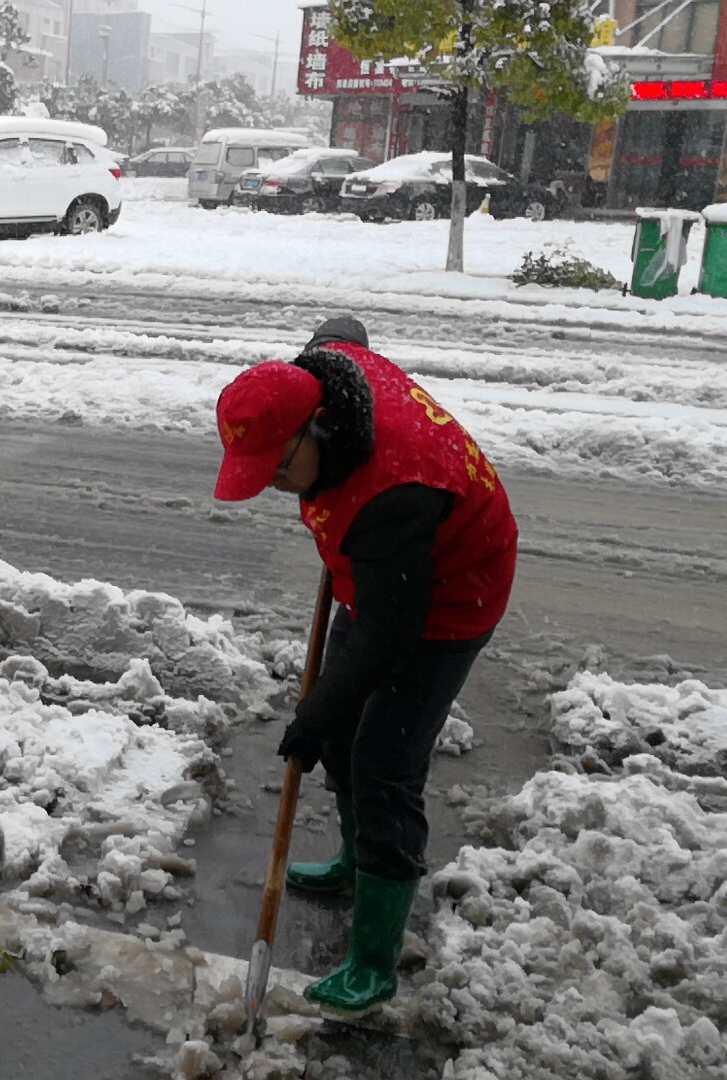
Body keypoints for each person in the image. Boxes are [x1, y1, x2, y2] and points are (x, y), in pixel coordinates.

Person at [212, 316, 518, 1014]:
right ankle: (356, 863)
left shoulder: (393, 491)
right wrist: (328, 717)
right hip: (380, 578)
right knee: (346, 731)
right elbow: (344, 331)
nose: (278, 487)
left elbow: (389, 634)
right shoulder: (324, 376)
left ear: (320, 425)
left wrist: (312, 715)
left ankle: (374, 960)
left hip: (448, 594)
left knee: (384, 759)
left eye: (281, 470)